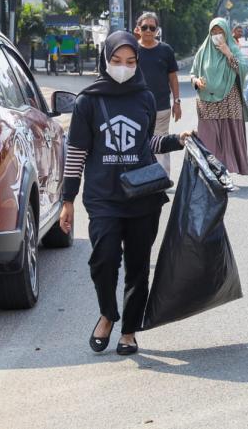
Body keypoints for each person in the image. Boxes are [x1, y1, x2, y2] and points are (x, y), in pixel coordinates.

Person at [58, 31, 192, 356]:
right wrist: (68, 202)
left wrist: (177, 139)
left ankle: (129, 330)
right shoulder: (87, 101)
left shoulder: (144, 97)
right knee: (103, 261)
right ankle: (108, 314)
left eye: (130, 62)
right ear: (106, 60)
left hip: (142, 196)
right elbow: (76, 153)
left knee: (137, 266)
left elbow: (146, 143)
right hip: (103, 198)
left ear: (137, 62)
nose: (123, 67)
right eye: (117, 61)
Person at [190, 18, 248, 175]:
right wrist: (196, 81)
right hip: (206, 101)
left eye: (220, 32)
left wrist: (228, 53)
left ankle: (224, 171)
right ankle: (209, 170)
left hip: (229, 101)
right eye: (214, 32)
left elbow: (243, 69)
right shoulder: (203, 51)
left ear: (226, 33)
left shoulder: (233, 48)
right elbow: (193, 73)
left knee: (228, 139)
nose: (217, 35)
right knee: (208, 137)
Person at [134, 12, 181, 175]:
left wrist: (177, 102)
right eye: (144, 27)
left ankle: (161, 178)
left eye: (152, 27)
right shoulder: (131, 50)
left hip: (161, 107)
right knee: (138, 142)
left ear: (157, 30)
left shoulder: (165, 50)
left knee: (160, 140)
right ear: (138, 29)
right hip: (136, 106)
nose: (148, 30)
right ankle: (140, 176)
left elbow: (173, 78)